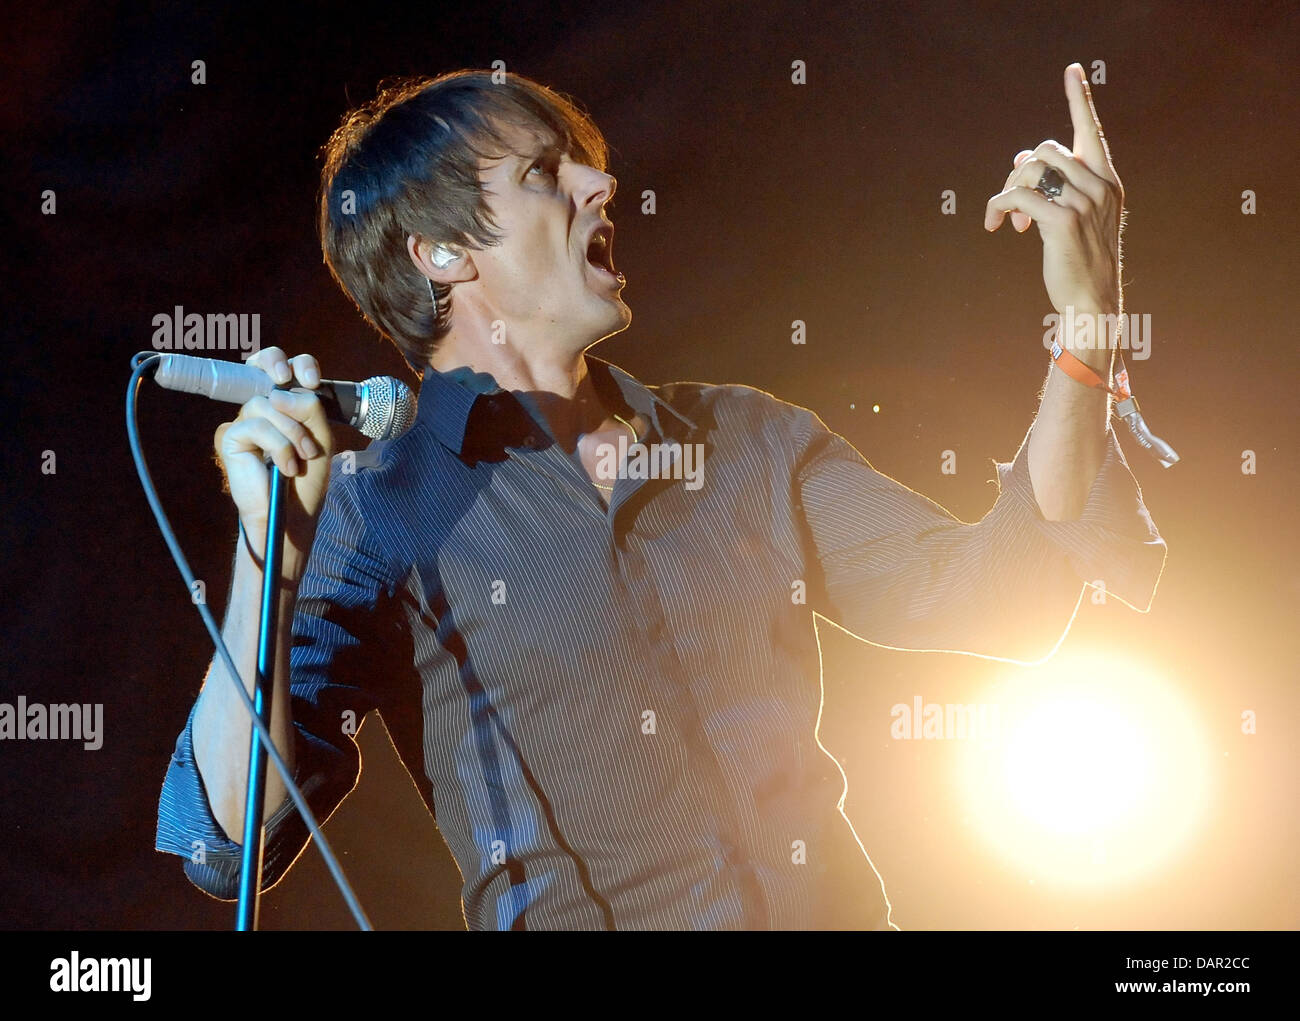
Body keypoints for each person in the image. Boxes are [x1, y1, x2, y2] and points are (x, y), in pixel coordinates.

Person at [155, 66, 1166, 930]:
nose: (602, 184)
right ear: (440, 252)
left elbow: (1010, 596)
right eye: (546, 175)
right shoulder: (377, 506)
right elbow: (229, 835)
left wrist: (1088, 323)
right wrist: (265, 558)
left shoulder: (743, 442)